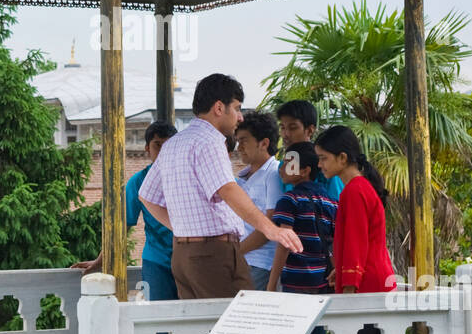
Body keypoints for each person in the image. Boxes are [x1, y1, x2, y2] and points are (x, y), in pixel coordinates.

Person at [138, 74, 302, 300]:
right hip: (213, 253)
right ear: (218, 108)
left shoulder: (174, 143)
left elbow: (147, 196)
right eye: (236, 108)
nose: (240, 117)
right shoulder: (210, 140)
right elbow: (227, 189)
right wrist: (270, 229)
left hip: (182, 253)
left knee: (203, 329)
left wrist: (181, 228)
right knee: (242, 325)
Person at [315, 125, 394, 334]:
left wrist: (349, 287)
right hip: (374, 279)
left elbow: (357, 242)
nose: (320, 164)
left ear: (343, 158)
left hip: (365, 285)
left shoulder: (354, 191)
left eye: (324, 158)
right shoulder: (360, 187)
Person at [72, 121, 178, 300]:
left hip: (188, 257)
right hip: (157, 259)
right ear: (147, 148)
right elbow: (122, 227)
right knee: (159, 317)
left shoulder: (187, 175)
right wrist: (100, 261)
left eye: (168, 145)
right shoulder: (138, 182)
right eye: (157, 145)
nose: (162, 151)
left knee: (193, 316)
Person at [266, 141, 338, 334]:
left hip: (297, 283)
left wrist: (272, 282)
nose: (282, 167)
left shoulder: (289, 200)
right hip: (323, 284)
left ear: (306, 169)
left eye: (289, 161)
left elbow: (283, 244)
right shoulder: (330, 200)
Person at [234, 111, 284, 291]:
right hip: (243, 260)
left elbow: (270, 225)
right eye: (238, 141)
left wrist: (235, 252)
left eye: (244, 141)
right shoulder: (242, 177)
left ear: (264, 143)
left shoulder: (273, 174)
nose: (239, 147)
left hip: (260, 263)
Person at [276, 100, 344, 202]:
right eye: (282, 127)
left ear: (310, 130)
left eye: (292, 128)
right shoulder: (282, 167)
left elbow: (337, 206)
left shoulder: (326, 165)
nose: (285, 134)